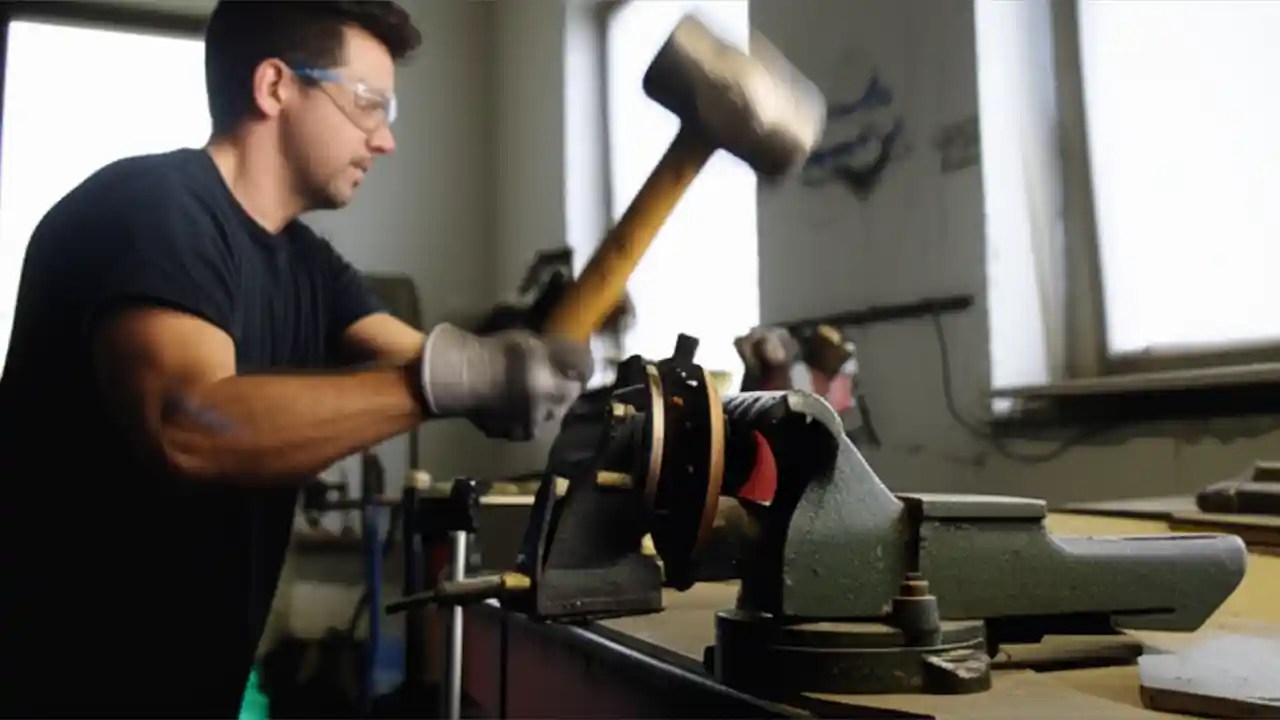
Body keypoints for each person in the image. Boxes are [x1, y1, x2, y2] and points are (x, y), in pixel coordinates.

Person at [0, 2, 590, 716]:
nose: (385, 140)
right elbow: (188, 428)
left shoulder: (307, 266)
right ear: (276, 87)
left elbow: (434, 360)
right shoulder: (151, 208)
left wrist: (513, 366)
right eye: (369, 104)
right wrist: (455, 379)